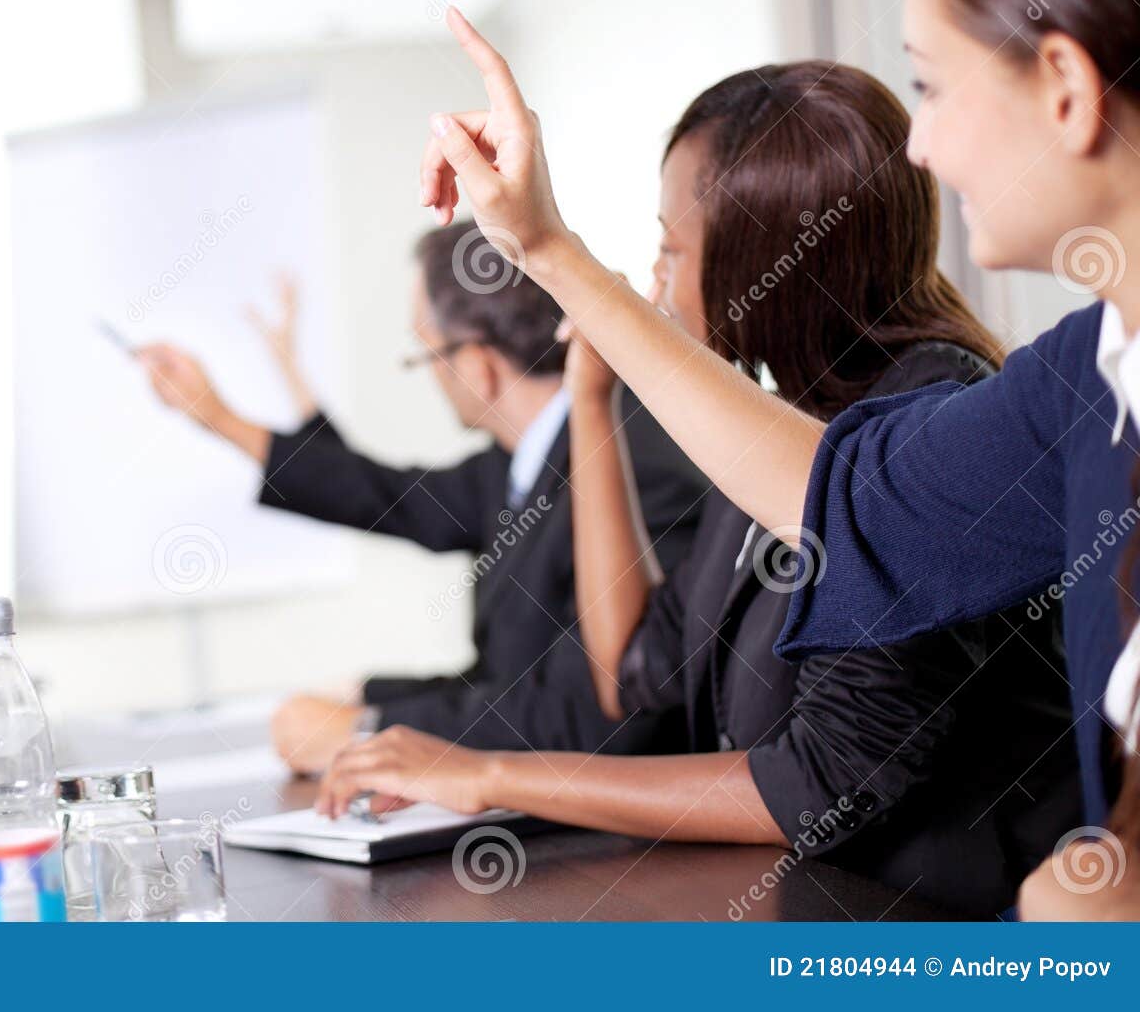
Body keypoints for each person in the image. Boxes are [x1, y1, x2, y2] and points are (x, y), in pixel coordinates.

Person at [401, 0, 1140, 920]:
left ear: (1065, 90)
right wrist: (551, 257)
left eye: (931, 86)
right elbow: (842, 499)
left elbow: (820, 776)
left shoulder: (964, 385)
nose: (921, 148)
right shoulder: (1078, 376)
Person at [315, 62, 1080, 916]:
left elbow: (815, 782)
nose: (658, 282)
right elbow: (635, 670)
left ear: (770, 266)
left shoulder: (925, 418)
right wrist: (593, 399)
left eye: (673, 250)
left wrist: (487, 773)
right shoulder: (773, 419)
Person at [136, 226, 707, 771]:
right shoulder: (515, 466)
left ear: (478, 366)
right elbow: (377, 495)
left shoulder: (636, 471)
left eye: (425, 355)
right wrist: (369, 692)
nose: (429, 375)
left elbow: (595, 716)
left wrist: (369, 729)